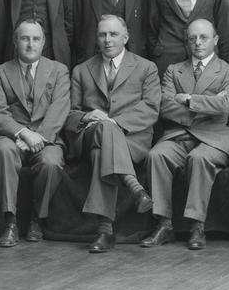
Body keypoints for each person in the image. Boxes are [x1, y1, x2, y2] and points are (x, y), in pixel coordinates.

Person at [65, 15, 161, 252]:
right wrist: (87, 116)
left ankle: (104, 230)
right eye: (102, 34)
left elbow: (150, 108)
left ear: (126, 37)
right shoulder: (81, 70)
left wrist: (113, 123)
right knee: (101, 133)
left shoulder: (146, 67)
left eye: (113, 34)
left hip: (132, 138)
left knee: (102, 150)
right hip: (90, 134)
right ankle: (135, 187)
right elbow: (70, 113)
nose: (107, 40)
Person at [143, 19, 229, 250]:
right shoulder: (174, 70)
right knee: (157, 155)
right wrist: (208, 107)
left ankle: (197, 226)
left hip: (214, 138)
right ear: (187, 41)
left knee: (199, 158)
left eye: (204, 37)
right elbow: (164, 106)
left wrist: (187, 99)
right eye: (192, 38)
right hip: (179, 133)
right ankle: (164, 224)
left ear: (215, 40)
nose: (198, 43)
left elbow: (225, 106)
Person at [0, 20, 70, 246]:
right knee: (3, 151)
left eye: (35, 39)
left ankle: (37, 218)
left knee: (51, 163)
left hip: (47, 136)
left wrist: (39, 137)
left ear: (43, 42)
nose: (30, 44)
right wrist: (23, 133)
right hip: (12, 137)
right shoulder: (0, 72)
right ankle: (10, 221)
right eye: (25, 38)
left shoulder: (59, 70)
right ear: (15, 42)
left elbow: (59, 109)